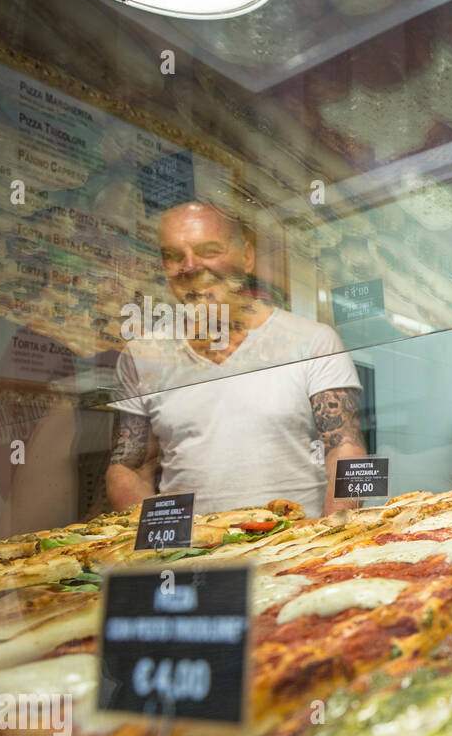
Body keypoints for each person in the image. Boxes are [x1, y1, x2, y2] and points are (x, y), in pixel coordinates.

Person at [106, 200, 366, 517]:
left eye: (208, 250)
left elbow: (345, 451)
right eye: (173, 256)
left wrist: (331, 539)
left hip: (294, 551)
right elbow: (130, 468)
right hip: (189, 556)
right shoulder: (143, 354)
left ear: (246, 256)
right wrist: (148, 552)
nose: (190, 266)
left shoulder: (313, 340)